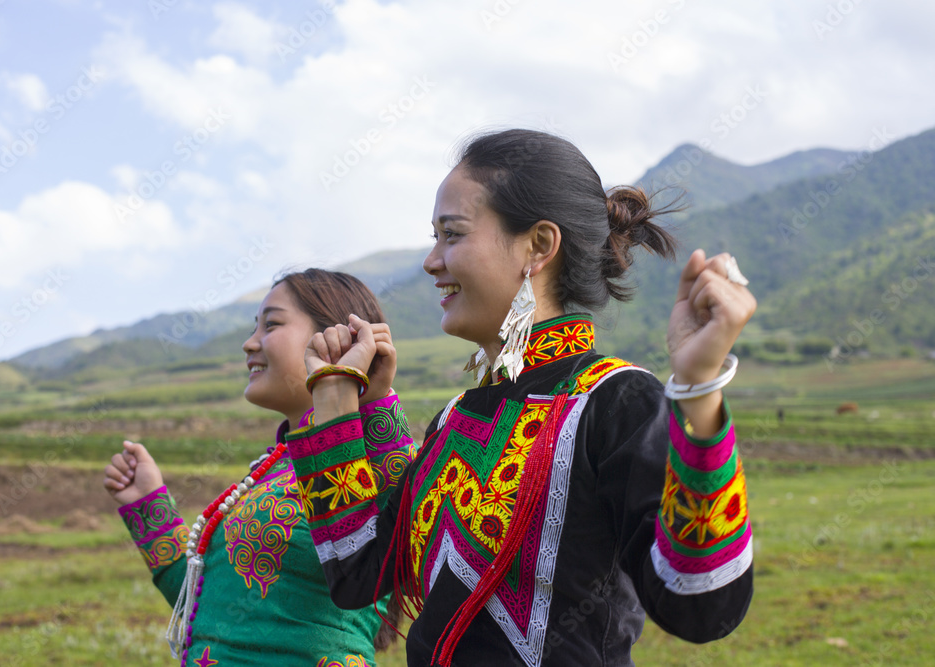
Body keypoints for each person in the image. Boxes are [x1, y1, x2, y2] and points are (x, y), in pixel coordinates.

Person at [287, 129, 757, 666]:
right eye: (434, 238)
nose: (431, 261)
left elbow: (701, 605)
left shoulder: (613, 400)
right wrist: (340, 397)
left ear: (538, 246)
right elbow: (355, 571)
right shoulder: (454, 419)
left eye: (451, 235)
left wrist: (698, 388)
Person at [102, 269, 415, 667]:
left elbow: (401, 546)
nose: (249, 343)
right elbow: (210, 605)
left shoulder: (373, 453)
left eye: (271, 324)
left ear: (338, 336)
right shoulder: (272, 469)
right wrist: (149, 506)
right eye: (255, 327)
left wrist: (370, 398)